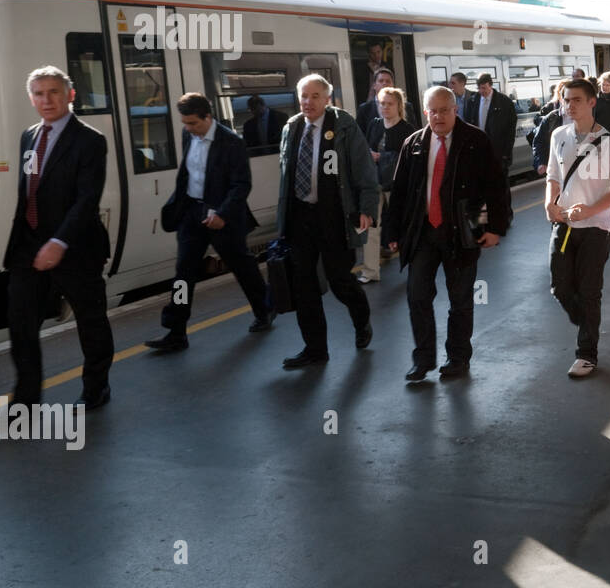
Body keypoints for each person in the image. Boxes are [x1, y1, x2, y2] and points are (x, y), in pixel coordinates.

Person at [5, 66, 114, 411]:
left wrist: (59, 242)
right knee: (21, 326)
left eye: (53, 92)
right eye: (38, 93)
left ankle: (96, 388)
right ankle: (26, 399)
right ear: (31, 99)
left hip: (76, 247)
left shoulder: (90, 141)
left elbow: (87, 199)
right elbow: (30, 192)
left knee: (90, 321)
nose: (45, 99)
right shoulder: (28, 136)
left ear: (70, 95)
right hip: (28, 246)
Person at [386, 86, 510, 380]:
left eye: (444, 110)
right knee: (417, 296)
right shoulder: (413, 144)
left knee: (461, 300)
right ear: (425, 112)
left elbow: (496, 187)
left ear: (456, 110)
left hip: (461, 233)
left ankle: (457, 359)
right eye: (433, 111)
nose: (438, 116)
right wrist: (393, 232)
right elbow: (399, 191)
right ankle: (423, 360)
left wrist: (495, 228)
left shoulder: (476, 141)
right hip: (423, 233)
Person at [147, 92, 272, 352]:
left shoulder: (232, 142)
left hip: (222, 215)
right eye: (185, 124)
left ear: (208, 117)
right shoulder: (187, 135)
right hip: (192, 212)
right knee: (183, 273)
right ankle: (176, 330)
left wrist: (222, 214)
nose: (188, 129)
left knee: (241, 265)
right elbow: (187, 173)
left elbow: (241, 185)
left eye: (193, 123)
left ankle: (264, 309)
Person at [276, 74, 379, 369]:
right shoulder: (292, 128)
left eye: (315, 96)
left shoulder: (344, 126)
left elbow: (363, 171)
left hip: (334, 215)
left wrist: (367, 208)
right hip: (301, 217)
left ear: (328, 99)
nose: (308, 102)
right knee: (304, 286)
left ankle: (362, 321)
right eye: (303, 96)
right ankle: (315, 349)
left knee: (339, 280)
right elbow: (286, 175)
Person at [546, 78, 610, 378]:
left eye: (577, 100)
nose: (570, 106)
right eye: (566, 100)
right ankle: (587, 322)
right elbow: (554, 176)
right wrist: (549, 202)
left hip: (597, 227)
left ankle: (586, 354)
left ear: (592, 102)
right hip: (565, 224)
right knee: (560, 287)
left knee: (589, 290)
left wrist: (590, 210)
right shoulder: (558, 135)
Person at [359, 86, 416, 283]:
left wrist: (380, 156)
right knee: (372, 227)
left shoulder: (407, 130)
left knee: (403, 224)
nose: (384, 107)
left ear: (399, 105)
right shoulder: (374, 124)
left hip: (397, 185)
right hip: (375, 183)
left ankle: (412, 266)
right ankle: (370, 272)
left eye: (389, 104)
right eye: (382, 103)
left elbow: (407, 158)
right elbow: (365, 148)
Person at [463, 73, 518, 178]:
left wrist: (506, 153)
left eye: (484, 88)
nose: (481, 91)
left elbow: (510, 130)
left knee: (499, 181)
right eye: (479, 88)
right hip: (478, 149)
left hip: (498, 151)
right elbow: (468, 123)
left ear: (491, 85)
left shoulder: (505, 102)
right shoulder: (473, 101)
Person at [532, 80, 568, 176]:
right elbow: (539, 141)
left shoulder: (588, 115)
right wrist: (541, 162)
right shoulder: (551, 117)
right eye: (566, 98)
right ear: (560, 97)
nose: (570, 103)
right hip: (557, 169)